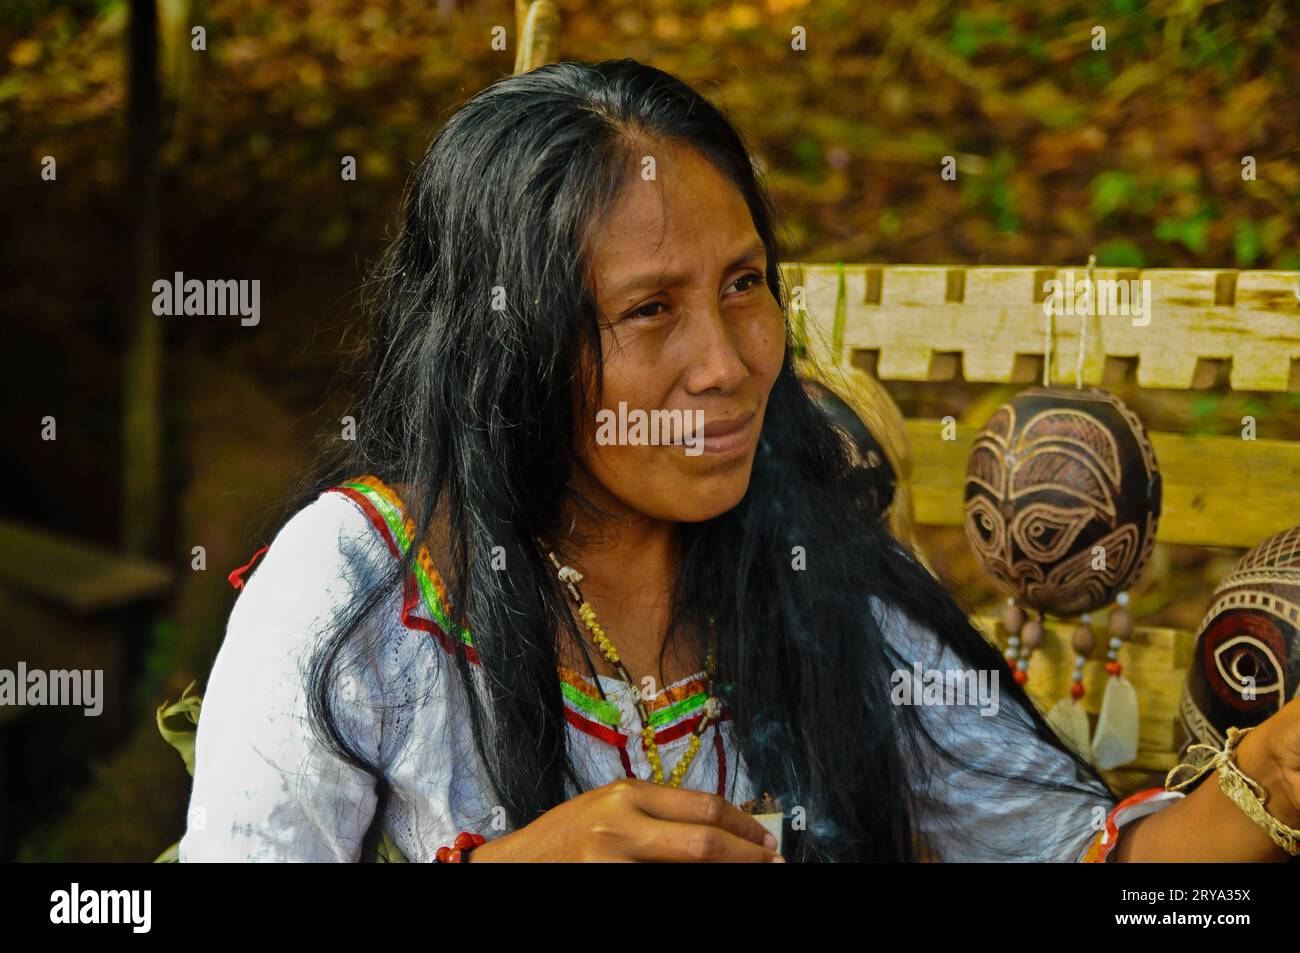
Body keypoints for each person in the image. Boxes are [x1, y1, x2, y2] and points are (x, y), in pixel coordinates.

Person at [179, 59, 1300, 863]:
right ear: (509, 345)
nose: (727, 364)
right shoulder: (358, 590)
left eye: (744, 284)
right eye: (649, 309)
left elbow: (1065, 852)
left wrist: (1264, 784)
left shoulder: (811, 566)